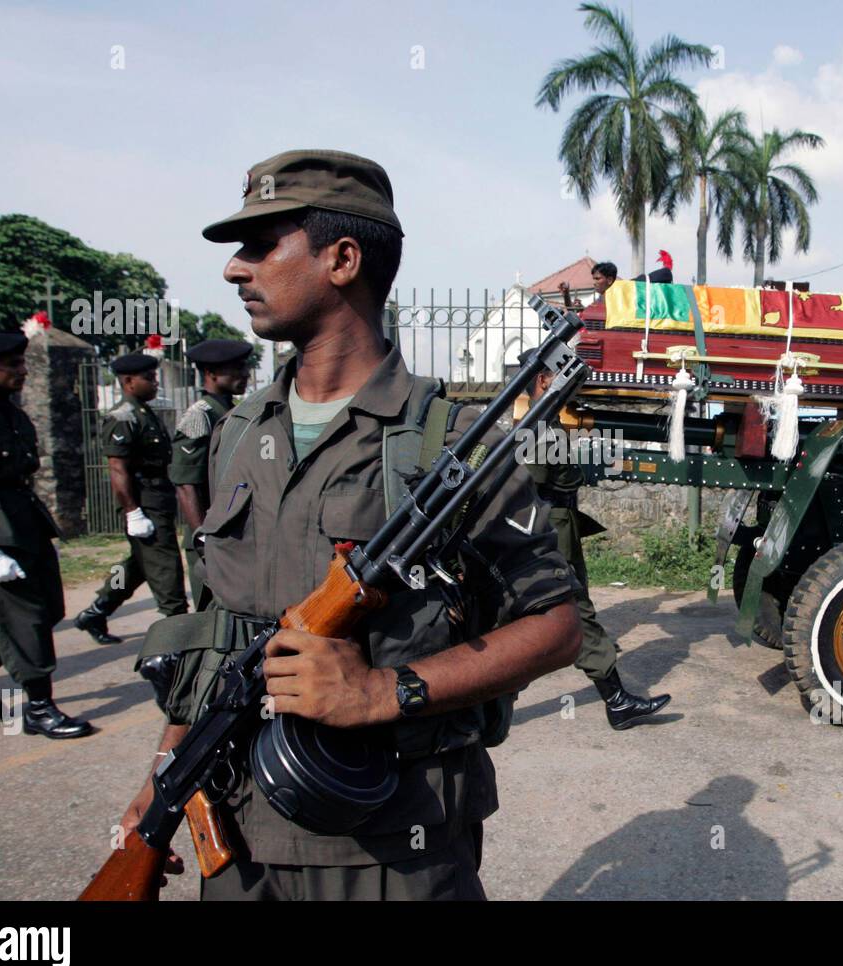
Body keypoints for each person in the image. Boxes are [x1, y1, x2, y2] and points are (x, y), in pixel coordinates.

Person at [117, 149, 581, 901]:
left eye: (263, 245)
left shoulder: (447, 444)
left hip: (393, 849)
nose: (237, 269)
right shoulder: (236, 433)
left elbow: (556, 627)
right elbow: (221, 637)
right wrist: (167, 773)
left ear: (342, 259)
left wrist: (384, 692)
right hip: (236, 843)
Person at [0, 332, 93, 739]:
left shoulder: (10, 412)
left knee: (48, 611)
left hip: (26, 522)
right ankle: (39, 708)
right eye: (13, 365)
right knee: (25, 620)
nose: (22, 371)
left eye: (22, 363)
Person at [518, 348, 671, 729]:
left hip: (559, 527)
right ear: (542, 380)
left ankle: (484, 699)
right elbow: (531, 492)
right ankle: (617, 700)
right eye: (562, 377)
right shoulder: (538, 427)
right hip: (551, 532)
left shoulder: (545, 422)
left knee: (550, 615)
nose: (570, 387)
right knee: (573, 610)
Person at [74, 353, 188, 651]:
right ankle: (174, 641)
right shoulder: (122, 416)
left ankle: (97, 611)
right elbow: (117, 468)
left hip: (156, 499)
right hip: (144, 504)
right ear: (128, 382)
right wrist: (133, 512)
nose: (155, 383)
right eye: (149, 378)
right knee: (167, 570)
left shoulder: (142, 412)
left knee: (139, 565)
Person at [168, 338, 253, 611]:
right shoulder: (199, 417)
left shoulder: (235, 410)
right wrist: (203, 536)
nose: (245, 374)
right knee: (213, 616)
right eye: (235, 369)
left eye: (245, 367)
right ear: (211, 374)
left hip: (234, 531)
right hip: (210, 534)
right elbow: (185, 484)